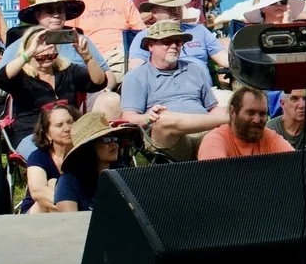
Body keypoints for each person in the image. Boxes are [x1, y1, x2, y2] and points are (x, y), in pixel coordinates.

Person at [121, 20, 227, 160]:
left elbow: (213, 108)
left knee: (238, 107)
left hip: (205, 134)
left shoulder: (194, 69)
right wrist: (148, 117)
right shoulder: (136, 76)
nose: (174, 46)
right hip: (171, 143)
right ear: (150, 45)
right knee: (163, 119)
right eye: (167, 42)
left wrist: (236, 111)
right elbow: (128, 118)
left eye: (178, 42)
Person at [197, 84, 292, 160]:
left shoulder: (269, 136)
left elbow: (296, 164)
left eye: (262, 114)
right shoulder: (215, 139)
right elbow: (215, 178)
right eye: (251, 113)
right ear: (232, 111)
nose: (257, 120)